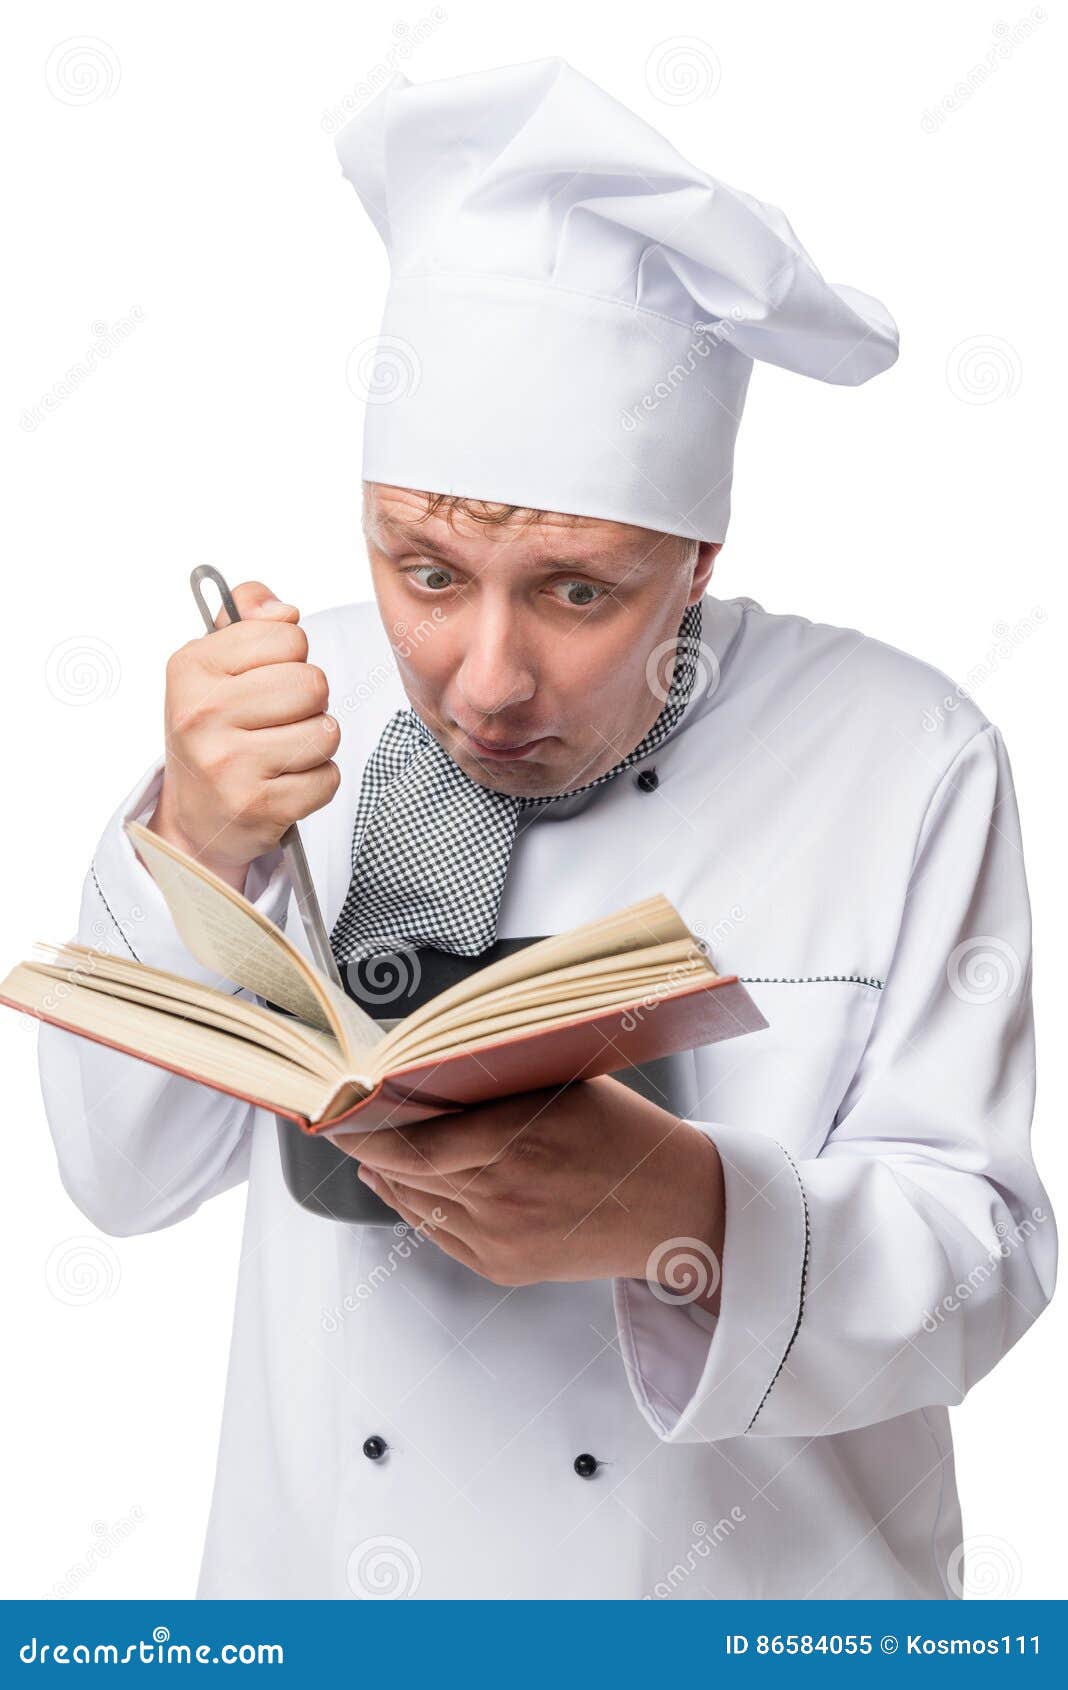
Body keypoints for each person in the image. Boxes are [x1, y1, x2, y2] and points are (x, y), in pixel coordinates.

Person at [37, 59, 1054, 1600]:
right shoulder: (284, 711)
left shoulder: (906, 755)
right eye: (425, 571)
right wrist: (189, 838)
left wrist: (690, 1211)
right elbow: (121, 1179)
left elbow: (987, 1268)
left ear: (698, 557)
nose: (486, 680)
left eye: (579, 590)